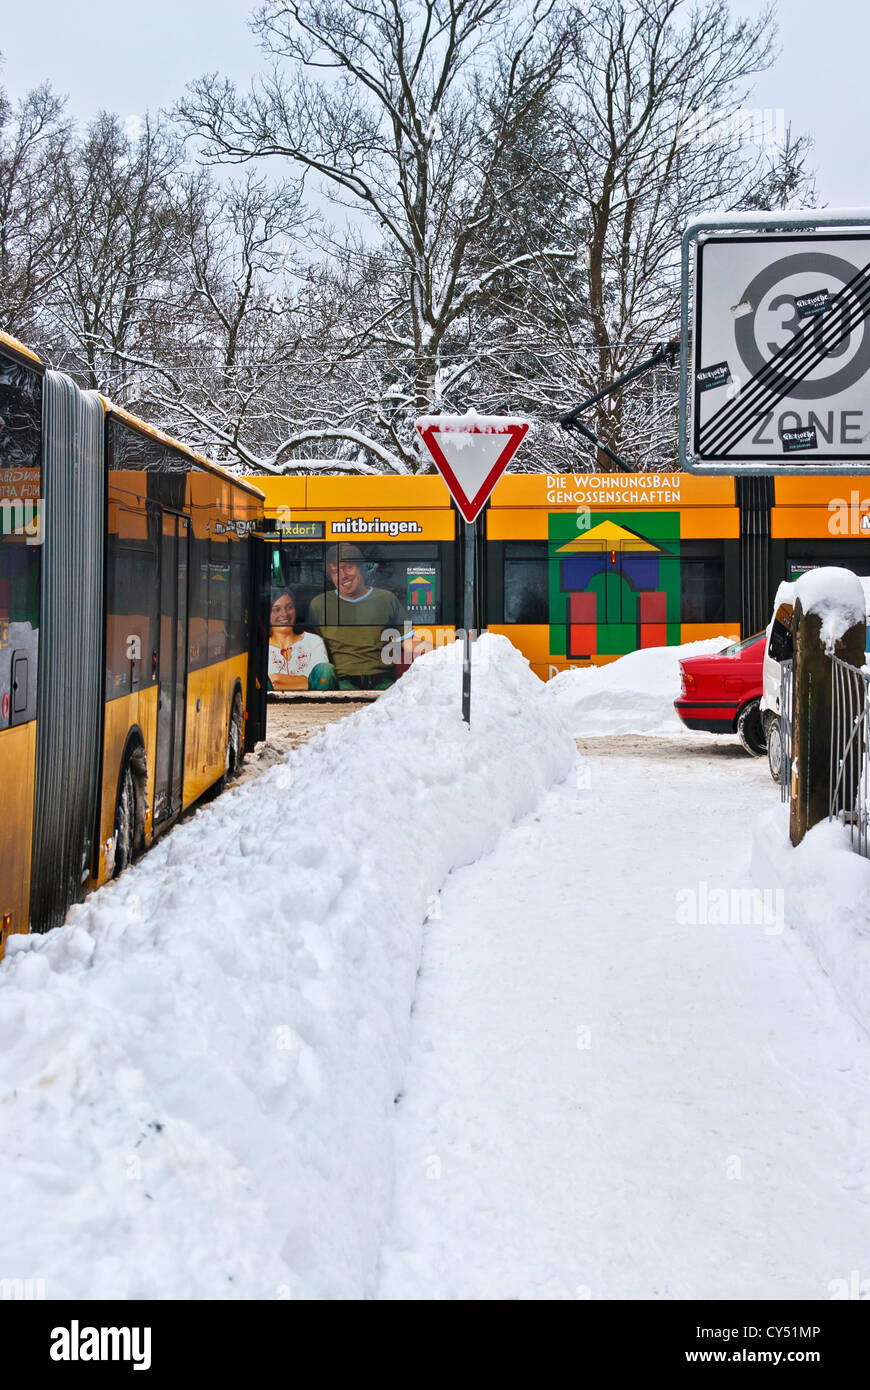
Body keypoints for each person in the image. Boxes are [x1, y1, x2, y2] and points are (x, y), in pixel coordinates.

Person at [307, 544, 410, 690]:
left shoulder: (387, 599)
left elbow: (408, 641)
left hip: (383, 680)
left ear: (361, 568)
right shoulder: (318, 605)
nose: (343, 575)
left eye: (348, 567)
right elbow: (311, 644)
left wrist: (447, 653)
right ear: (331, 577)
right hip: (343, 682)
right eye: (336, 572)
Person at [268, 588, 330, 691]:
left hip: (316, 706)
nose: (284, 614)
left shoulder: (313, 641)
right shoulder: (259, 647)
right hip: (271, 706)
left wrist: (276, 679)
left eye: (289, 607)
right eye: (277, 609)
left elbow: (321, 681)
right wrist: (307, 683)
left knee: (326, 670)